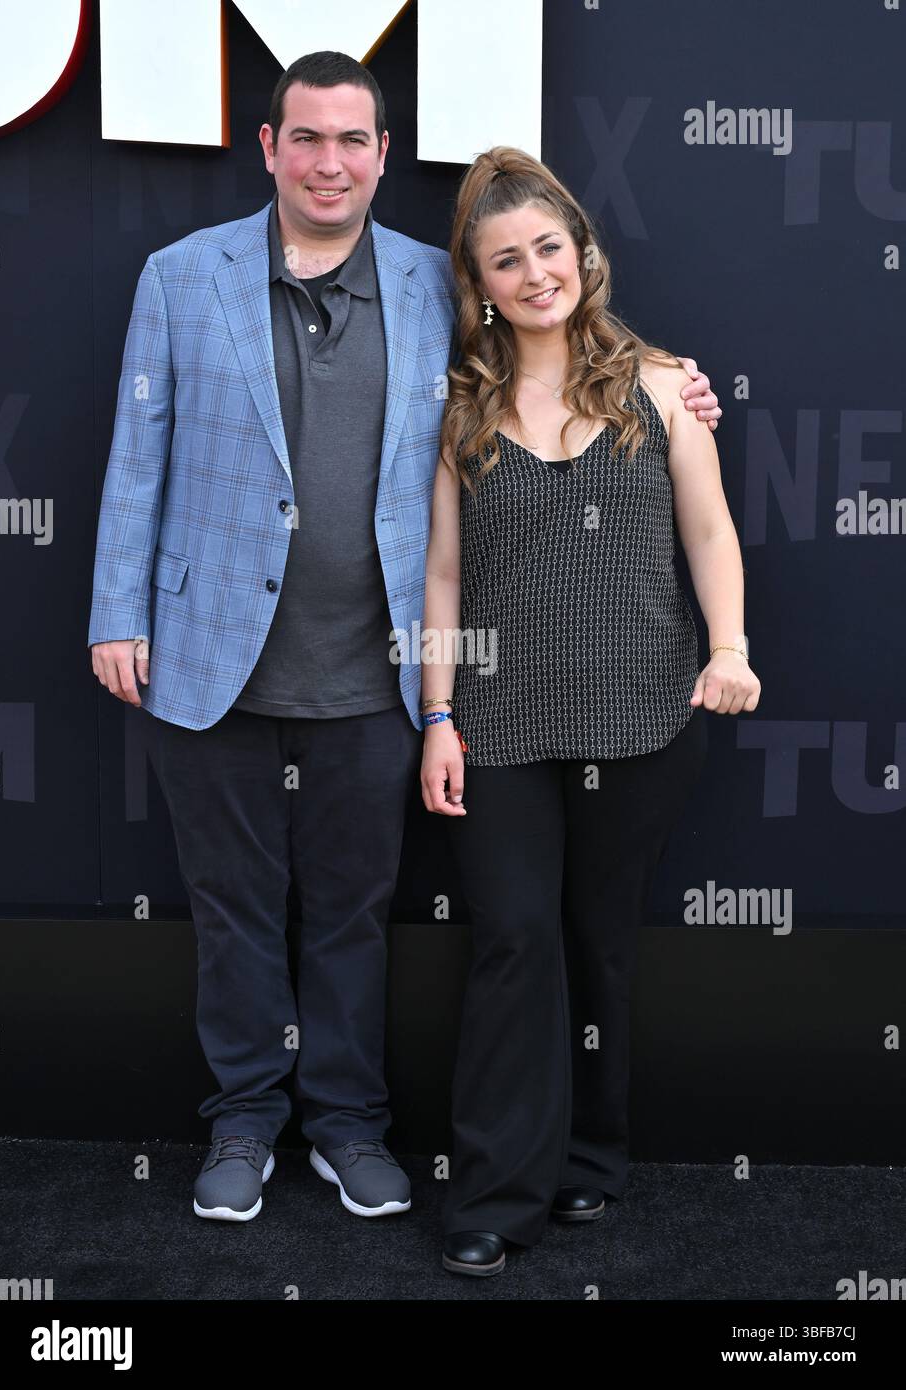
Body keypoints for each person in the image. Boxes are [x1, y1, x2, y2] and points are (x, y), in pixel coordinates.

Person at [88, 52, 722, 1227]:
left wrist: (676, 385)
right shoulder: (180, 278)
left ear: (384, 158)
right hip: (205, 652)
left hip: (379, 665)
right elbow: (140, 453)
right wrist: (116, 611)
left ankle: (344, 1123)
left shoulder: (441, 283)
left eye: (354, 141)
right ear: (270, 147)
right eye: (308, 138)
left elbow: (558, 349)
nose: (331, 161)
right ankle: (239, 1125)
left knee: (350, 910)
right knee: (232, 909)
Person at [420, 146, 760, 1277]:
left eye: (547, 249)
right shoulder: (460, 408)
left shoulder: (663, 388)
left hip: (644, 718)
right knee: (513, 942)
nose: (533, 274)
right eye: (505, 260)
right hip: (501, 727)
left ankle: (592, 1163)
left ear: (583, 254)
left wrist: (728, 649)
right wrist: (435, 712)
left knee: (595, 947)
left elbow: (708, 532)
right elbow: (442, 579)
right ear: (478, 281)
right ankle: (493, 1194)